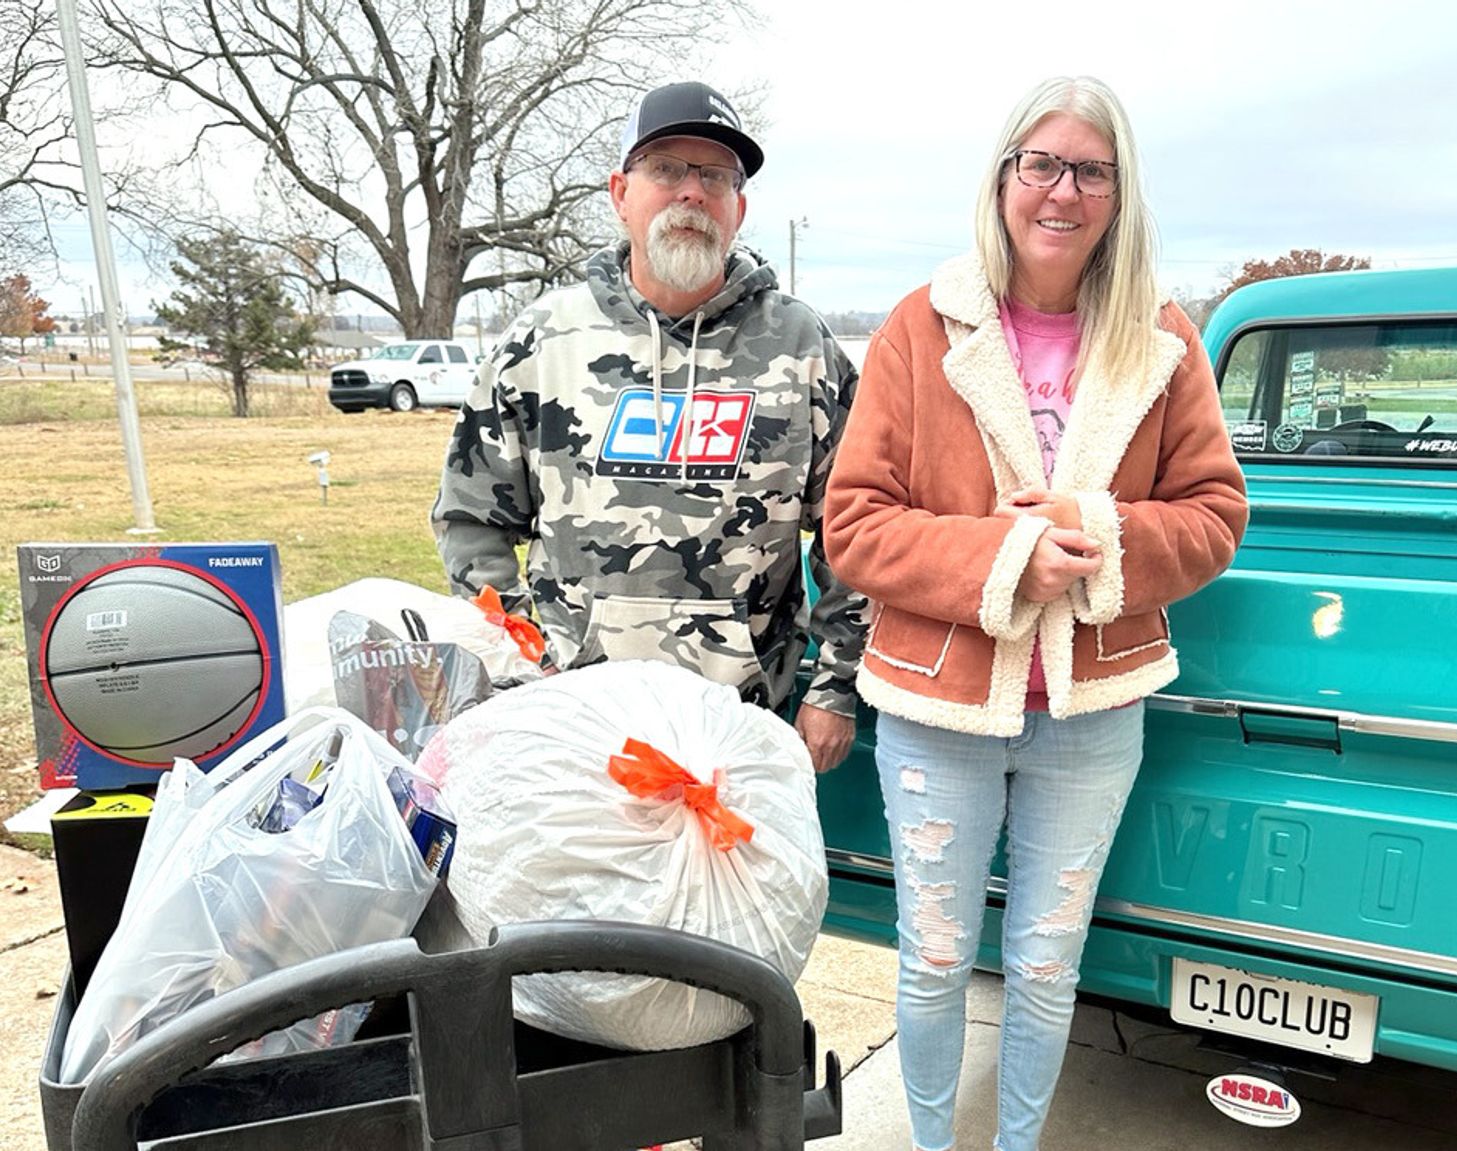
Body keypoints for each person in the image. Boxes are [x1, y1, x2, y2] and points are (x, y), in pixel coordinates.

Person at [823, 76, 1248, 1150]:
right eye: (1041, 164)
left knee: (1049, 964)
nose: (1062, 191)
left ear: (1119, 190)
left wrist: (1096, 531)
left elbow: (1215, 514)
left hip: (1094, 709)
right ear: (1005, 176)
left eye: (1090, 170)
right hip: (938, 703)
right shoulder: (922, 327)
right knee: (929, 958)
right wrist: (1009, 550)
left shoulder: (1163, 336)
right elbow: (855, 525)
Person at [431, 81, 866, 772]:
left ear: (739, 207)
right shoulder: (544, 341)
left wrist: (835, 686)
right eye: (665, 169)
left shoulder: (800, 345)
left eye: (715, 176)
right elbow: (469, 518)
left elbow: (854, 529)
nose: (691, 192)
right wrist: (522, 657)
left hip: (743, 725)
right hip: (571, 717)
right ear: (620, 193)